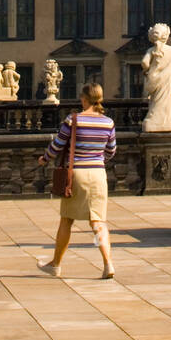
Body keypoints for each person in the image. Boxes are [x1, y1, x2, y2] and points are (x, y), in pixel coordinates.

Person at [37, 83, 116, 279]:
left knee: (66, 220)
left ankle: (55, 264)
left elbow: (57, 145)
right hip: (98, 174)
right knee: (98, 222)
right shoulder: (108, 123)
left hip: (76, 174)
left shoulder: (73, 120)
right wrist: (97, 159)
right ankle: (108, 264)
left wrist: (44, 158)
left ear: (84, 99)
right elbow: (111, 150)